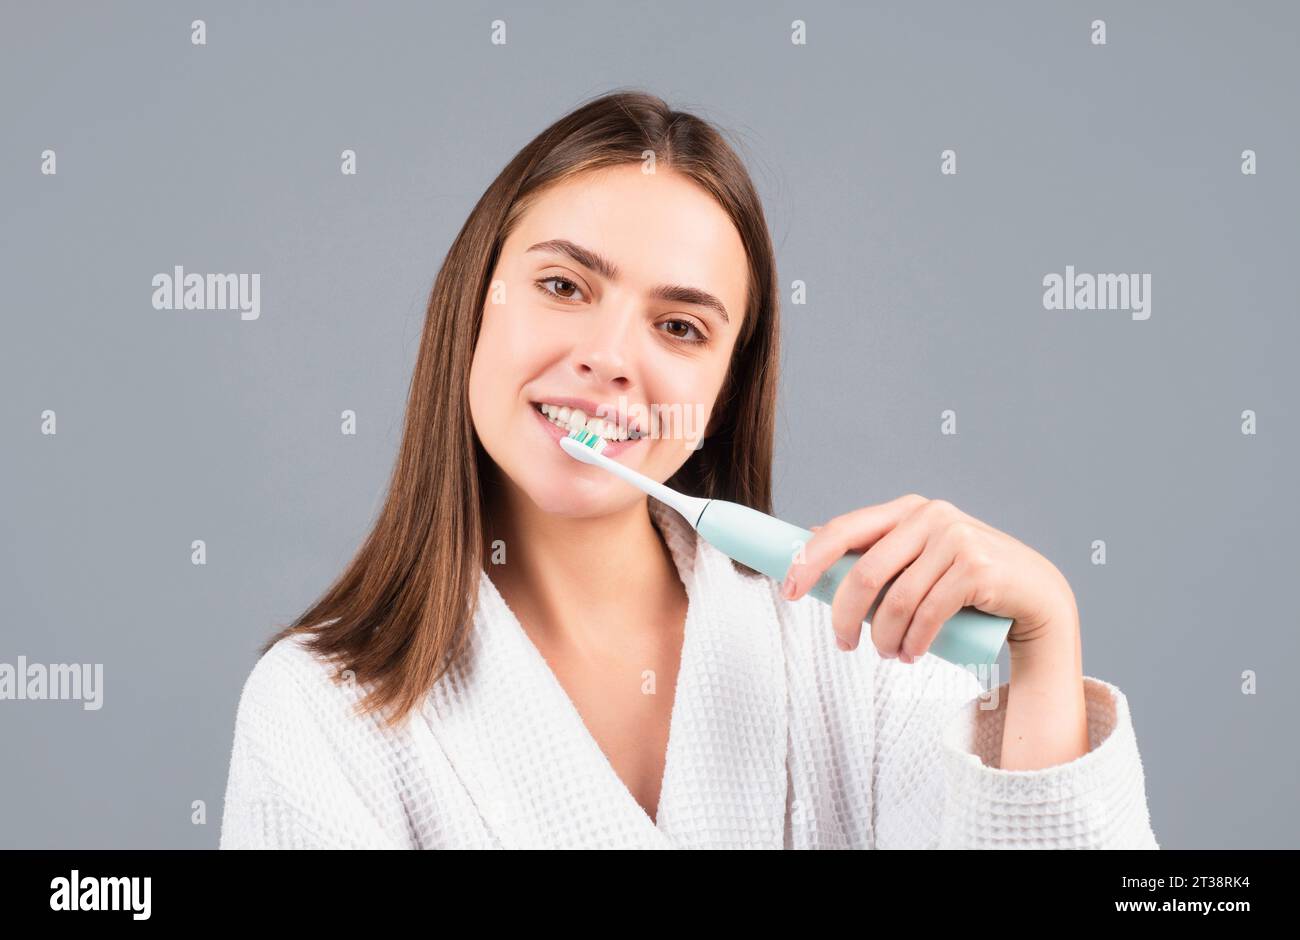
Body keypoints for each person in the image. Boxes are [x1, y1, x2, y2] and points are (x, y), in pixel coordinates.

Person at [218, 90, 1159, 849]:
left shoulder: (862, 653)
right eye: (562, 286)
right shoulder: (317, 714)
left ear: (722, 390)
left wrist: (1044, 657)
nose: (611, 356)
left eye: (680, 327)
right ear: (473, 305)